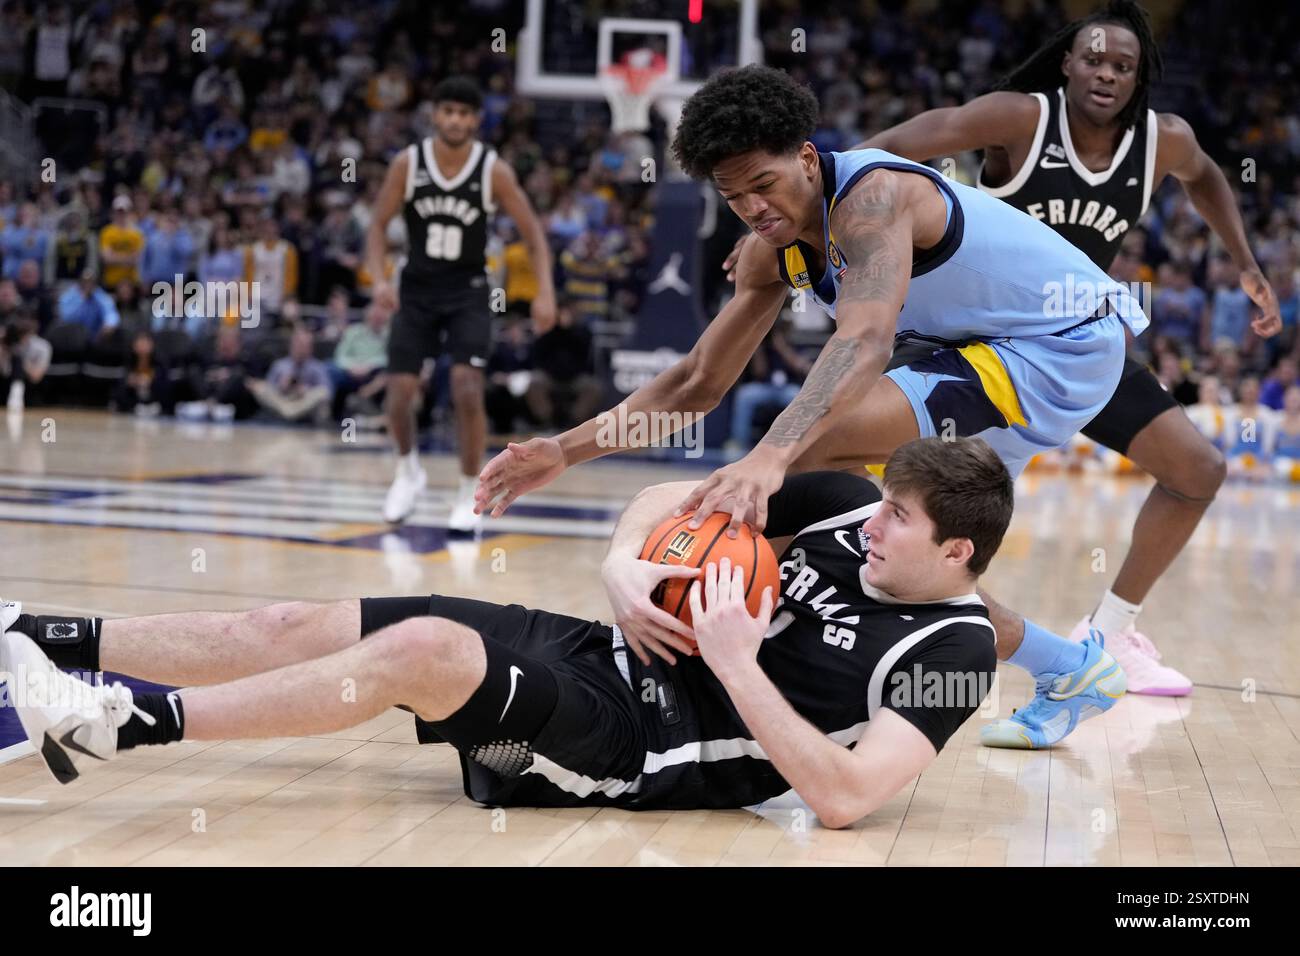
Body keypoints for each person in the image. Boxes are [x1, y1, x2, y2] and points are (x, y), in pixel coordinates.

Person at [477, 63, 1143, 749]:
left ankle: (742, 654)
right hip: (981, 349)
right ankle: (1069, 669)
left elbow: (866, 339)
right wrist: (565, 447)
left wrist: (773, 454)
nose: (755, 208)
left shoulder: (873, 199)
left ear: (804, 158)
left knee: (806, 464)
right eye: (735, 198)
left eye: (764, 185)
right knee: (887, 548)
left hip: (1062, 343)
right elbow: (698, 383)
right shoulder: (772, 247)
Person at [1, 438, 1059, 830]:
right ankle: (37, 629)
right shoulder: (833, 503)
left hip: (651, 745)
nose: (873, 525)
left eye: (901, 523)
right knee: (304, 616)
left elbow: (844, 797)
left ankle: (132, 722)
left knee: (423, 654)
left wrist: (738, 662)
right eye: (881, 504)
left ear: (958, 554)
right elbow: (662, 489)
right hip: (607, 648)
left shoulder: (951, 656)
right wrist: (621, 563)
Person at [718, 0, 1281, 707]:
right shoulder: (1021, 116)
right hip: (974, 337)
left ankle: (1106, 640)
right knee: (886, 493)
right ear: (1067, 65)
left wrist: (1248, 265)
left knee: (1198, 470)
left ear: (1141, 77)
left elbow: (1207, 179)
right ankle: (824, 624)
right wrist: (800, 205)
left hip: (1069, 338)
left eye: (1124, 65)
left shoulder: (1163, 141)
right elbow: (901, 143)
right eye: (1095, 59)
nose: (1107, 73)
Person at [365, 76, 557, 531]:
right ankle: (407, 472)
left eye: (464, 113)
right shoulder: (408, 164)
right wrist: (378, 280)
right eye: (448, 111)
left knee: (467, 386)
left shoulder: (493, 170)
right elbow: (376, 226)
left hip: (469, 289)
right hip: (416, 288)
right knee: (398, 394)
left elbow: (532, 232)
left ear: (476, 120)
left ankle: (469, 488)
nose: (455, 120)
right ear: (435, 115)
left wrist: (545, 290)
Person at [248, 326, 333, 424]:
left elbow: (328, 392)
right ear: (291, 346)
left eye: (304, 346)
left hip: (305, 403)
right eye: (298, 345)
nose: (301, 349)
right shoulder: (279, 365)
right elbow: (269, 387)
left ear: (310, 348)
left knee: (322, 393)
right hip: (283, 400)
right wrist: (281, 386)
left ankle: (289, 413)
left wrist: (306, 390)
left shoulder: (318, 367)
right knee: (260, 387)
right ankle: (289, 412)